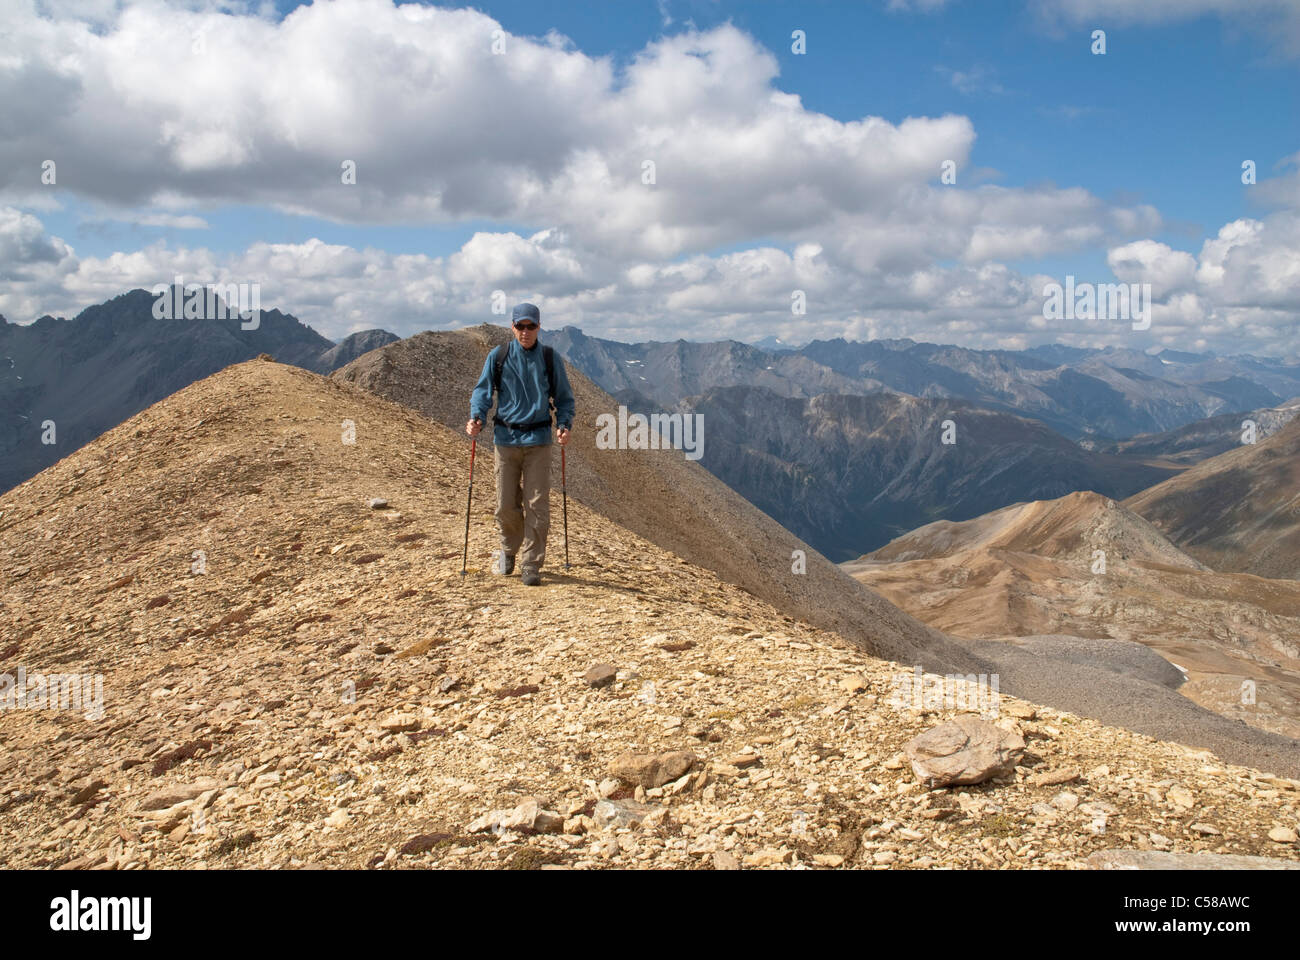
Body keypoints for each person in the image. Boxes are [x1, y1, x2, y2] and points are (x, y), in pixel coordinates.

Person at [466, 302, 574, 586]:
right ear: (512, 327)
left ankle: (531, 563)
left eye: (531, 326)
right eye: (520, 326)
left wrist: (564, 424)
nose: (525, 332)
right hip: (505, 440)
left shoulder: (550, 358)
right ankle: (509, 549)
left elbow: (564, 397)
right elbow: (482, 391)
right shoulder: (498, 356)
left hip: (539, 441)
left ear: (539, 327)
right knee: (505, 505)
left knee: (537, 505)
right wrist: (476, 417)